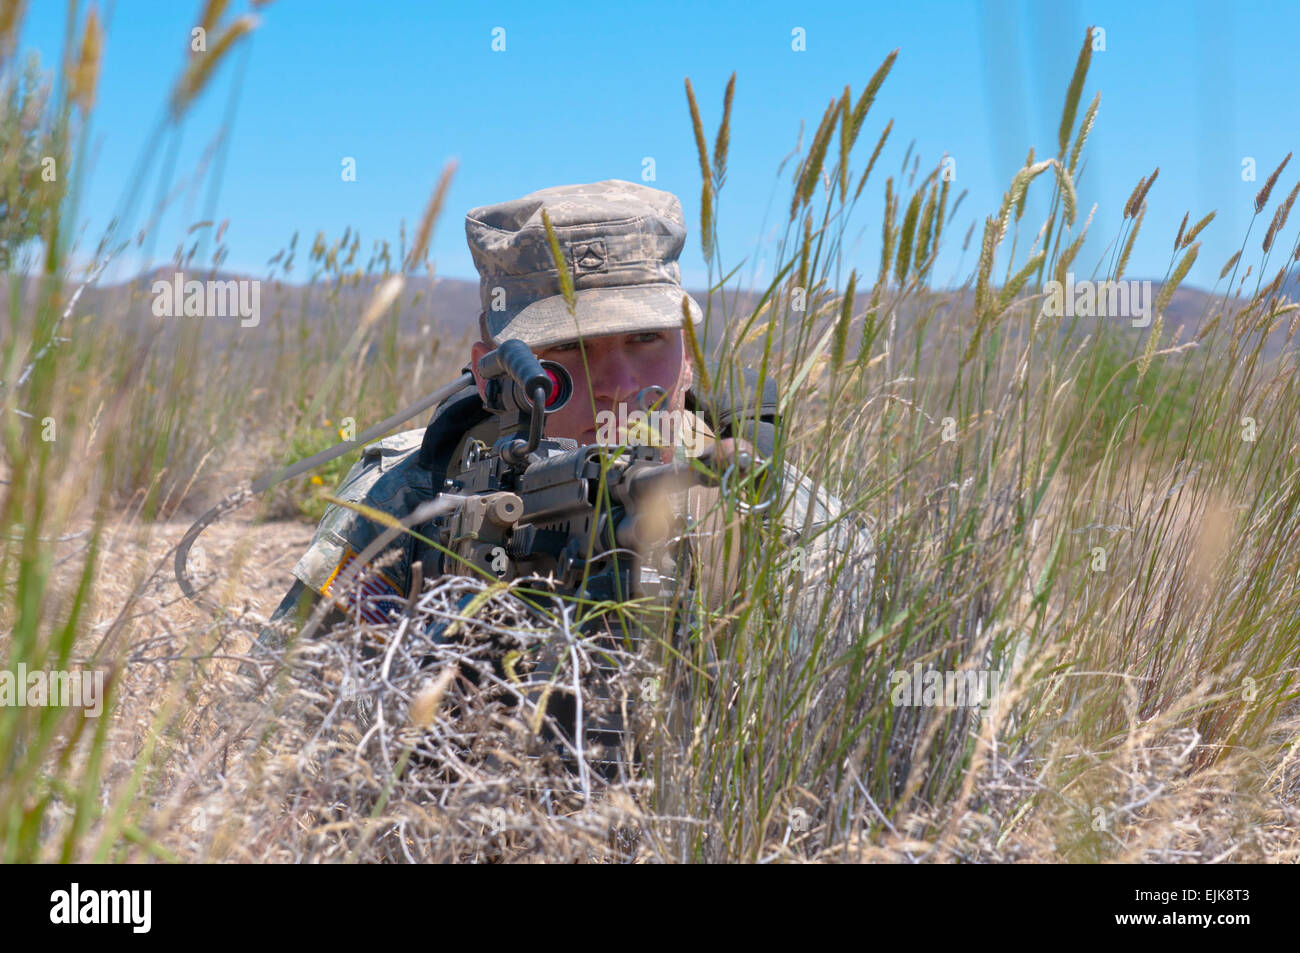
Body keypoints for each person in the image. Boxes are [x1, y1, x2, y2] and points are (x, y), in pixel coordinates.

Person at [258, 179, 873, 654]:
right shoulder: (406, 497)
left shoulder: (781, 516)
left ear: (688, 353)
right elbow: (275, 728)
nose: (618, 388)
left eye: (646, 340)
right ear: (490, 373)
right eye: (568, 351)